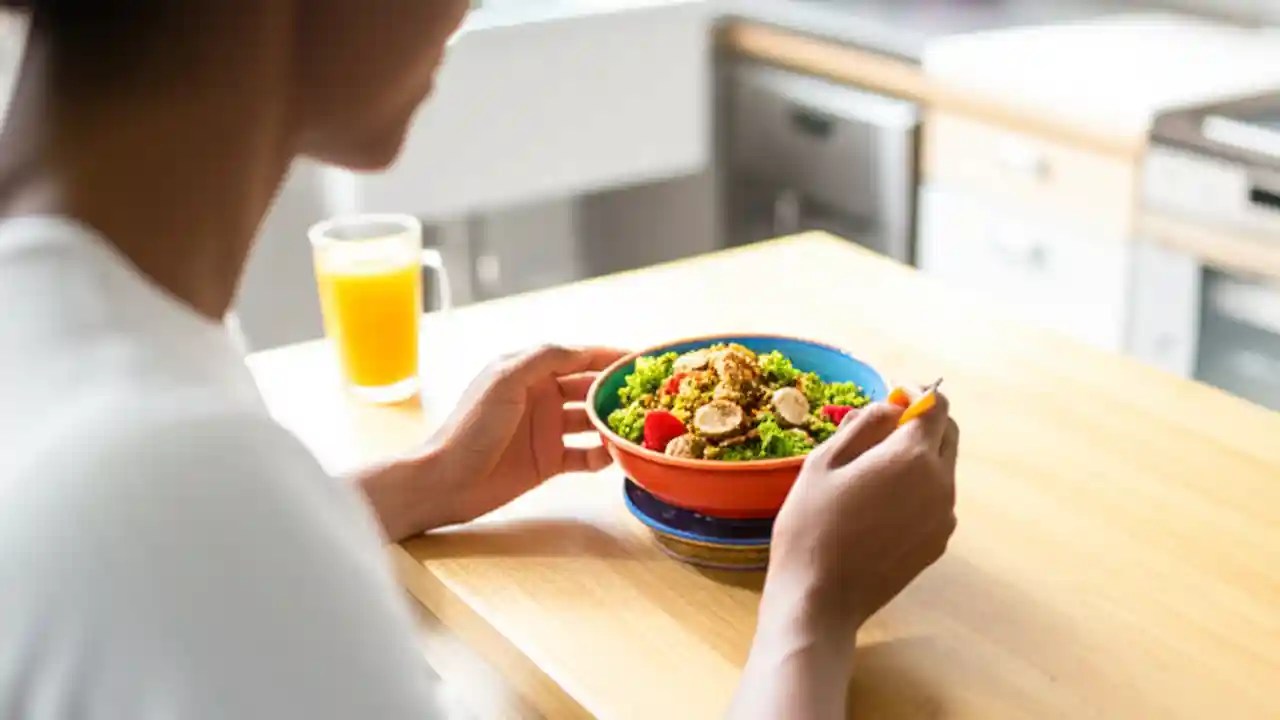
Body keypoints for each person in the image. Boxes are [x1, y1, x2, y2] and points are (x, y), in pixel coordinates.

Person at [0, 2, 958, 718]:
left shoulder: (91, 378)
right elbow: (175, 546)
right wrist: (811, 610)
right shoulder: (171, 484)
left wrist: (417, 485)